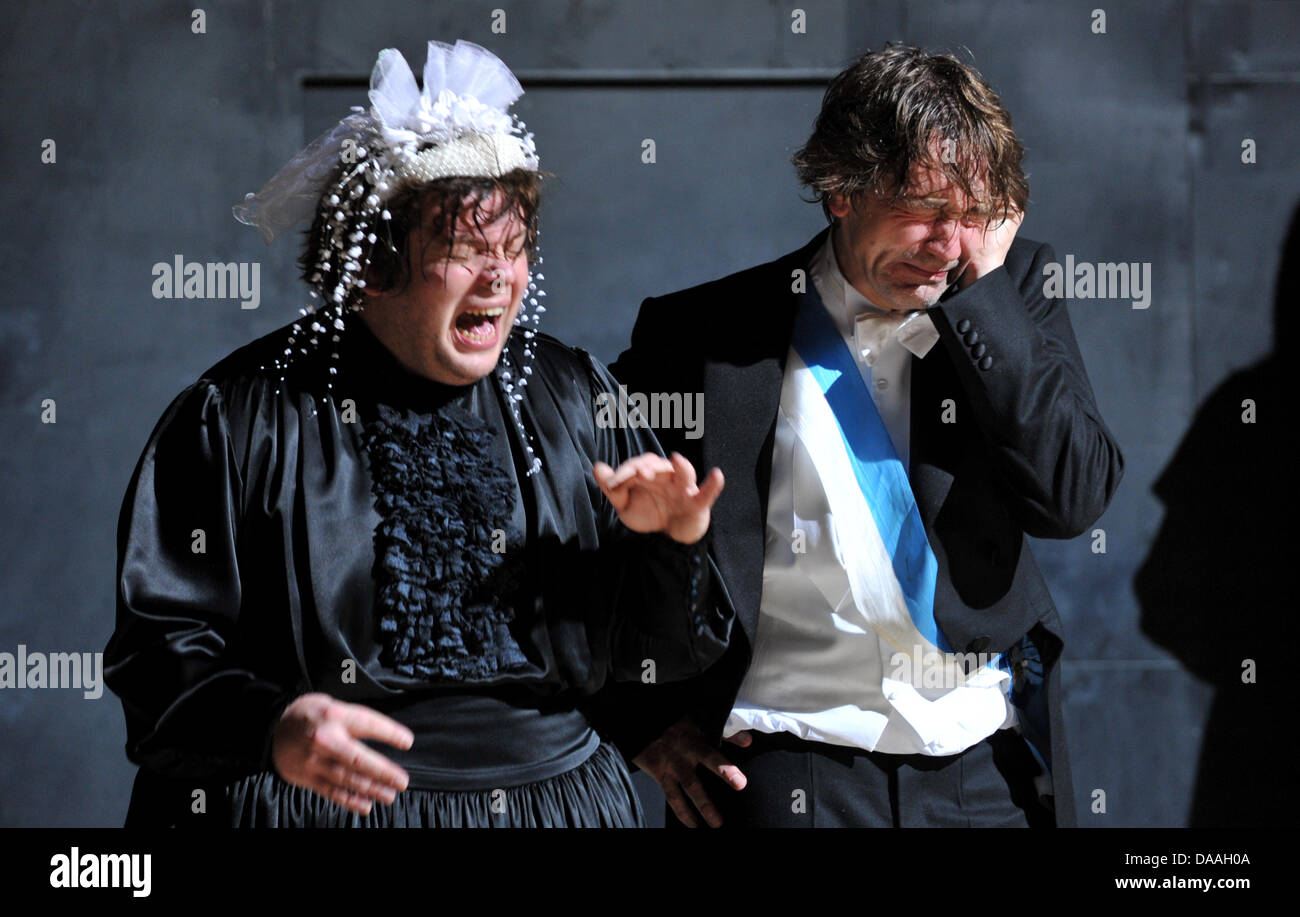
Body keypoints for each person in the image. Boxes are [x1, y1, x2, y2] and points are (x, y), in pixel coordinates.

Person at [104, 39, 731, 828]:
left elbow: (655, 662)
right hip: (322, 809)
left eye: (514, 249)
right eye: (465, 251)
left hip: (552, 812)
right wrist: (272, 727)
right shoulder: (239, 416)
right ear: (372, 266)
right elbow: (159, 651)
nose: (500, 277)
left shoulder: (577, 397)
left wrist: (669, 544)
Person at [608, 44, 1123, 827]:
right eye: (926, 211)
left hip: (984, 782)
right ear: (840, 189)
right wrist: (637, 722)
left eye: (973, 215)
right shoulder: (701, 334)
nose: (949, 246)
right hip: (791, 778)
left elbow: (1072, 499)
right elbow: (587, 531)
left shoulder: (1010, 297)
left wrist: (984, 301)